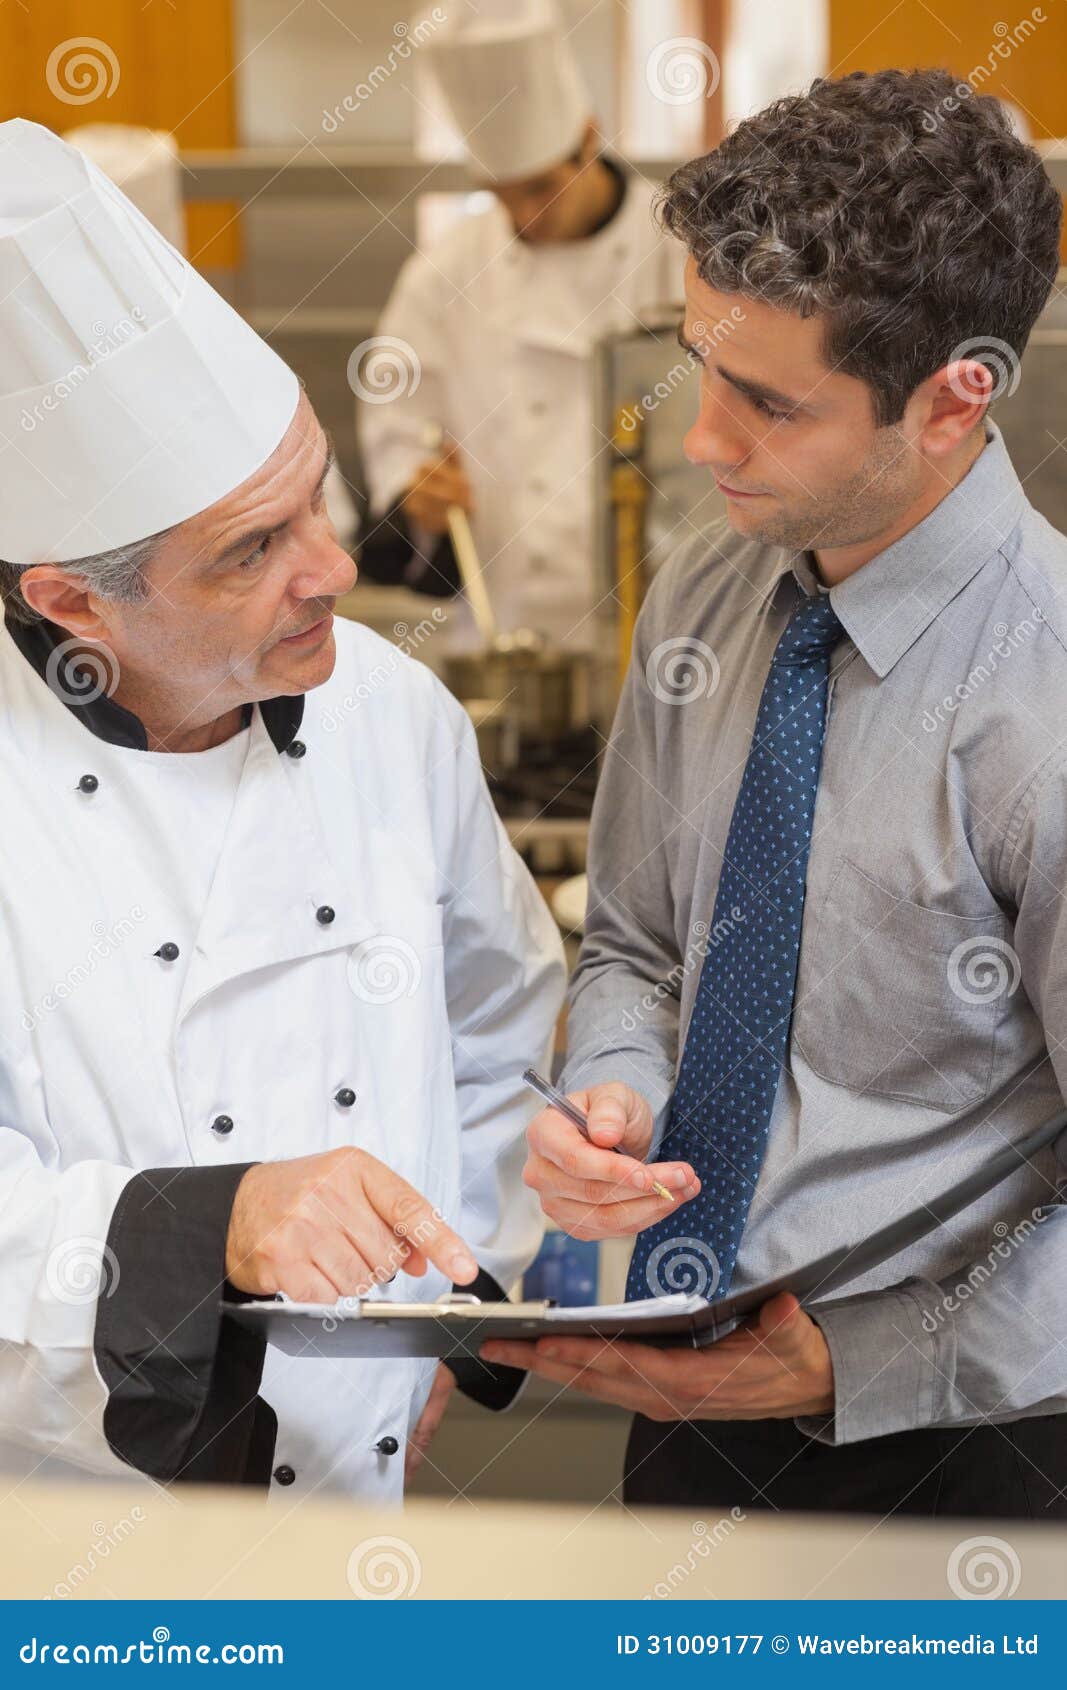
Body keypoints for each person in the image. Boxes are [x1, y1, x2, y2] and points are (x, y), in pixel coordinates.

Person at [483, 68, 1067, 1520]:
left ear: (951, 400)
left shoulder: (1042, 696)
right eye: (700, 365)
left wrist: (854, 1360)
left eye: (766, 403)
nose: (700, 440)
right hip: (687, 1402)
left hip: (980, 1445)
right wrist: (614, 1095)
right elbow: (633, 946)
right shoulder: (702, 591)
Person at [0, 118, 565, 1500]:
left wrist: (452, 1300)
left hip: (362, 1502)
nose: (333, 570)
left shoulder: (391, 708)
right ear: (72, 600)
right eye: (251, 550)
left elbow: (499, 1026)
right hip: (64, 1520)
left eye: (314, 499)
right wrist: (211, 1224)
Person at [357, 1, 679, 650]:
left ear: (588, 139)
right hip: (498, 626)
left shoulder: (677, 247)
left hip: (659, 616)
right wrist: (417, 491)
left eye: (539, 189)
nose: (524, 217)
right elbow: (398, 421)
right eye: (502, 196)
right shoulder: (445, 271)